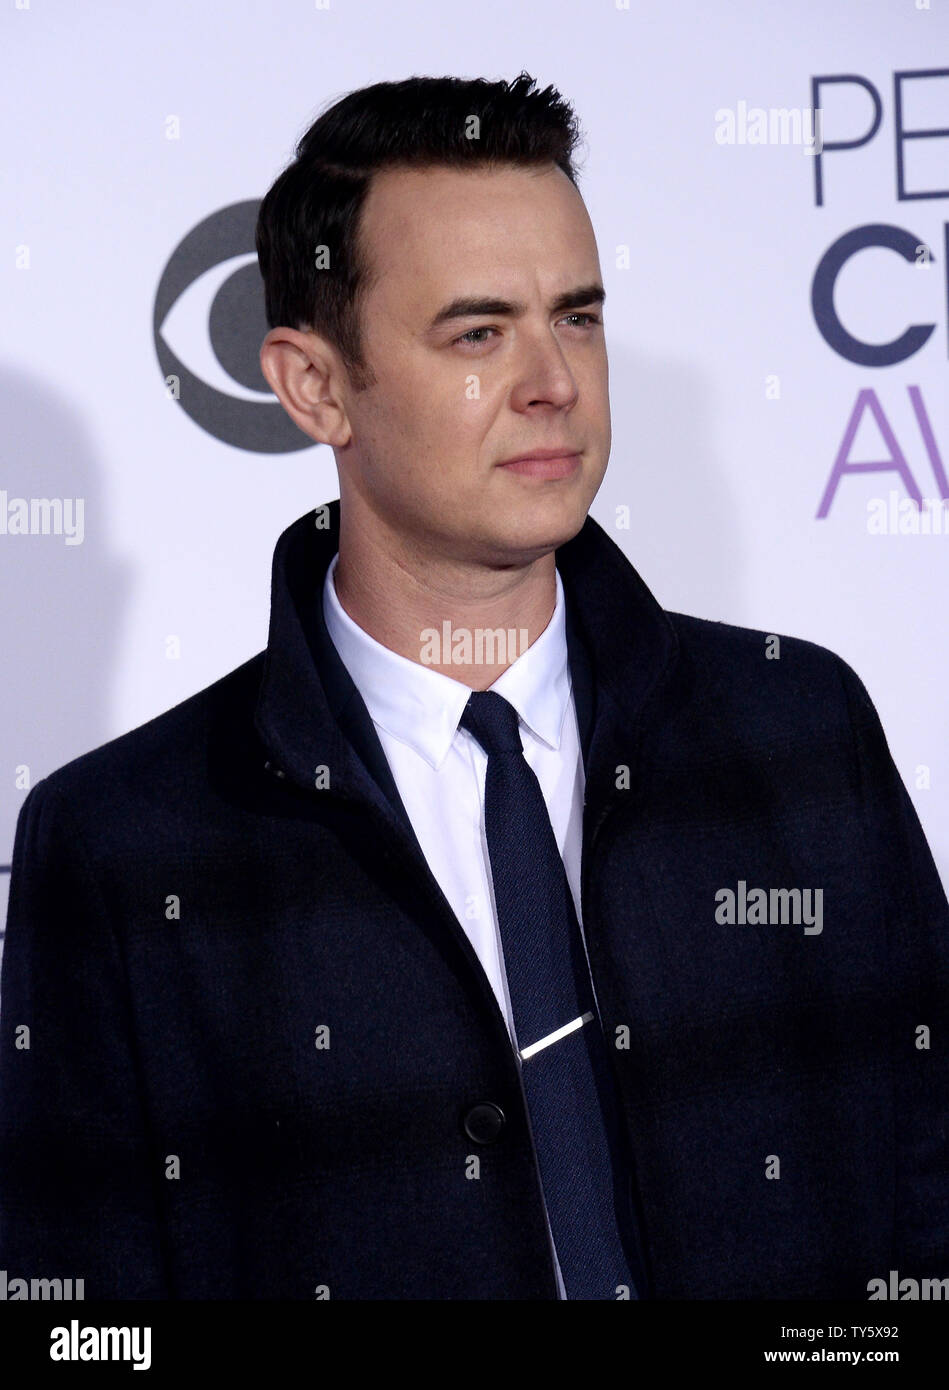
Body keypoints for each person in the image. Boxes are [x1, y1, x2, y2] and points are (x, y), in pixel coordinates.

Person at [1, 73, 947, 1301]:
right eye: (478, 332)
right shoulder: (125, 841)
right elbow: (80, 1323)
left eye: (579, 316)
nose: (553, 379)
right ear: (313, 386)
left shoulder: (796, 728)